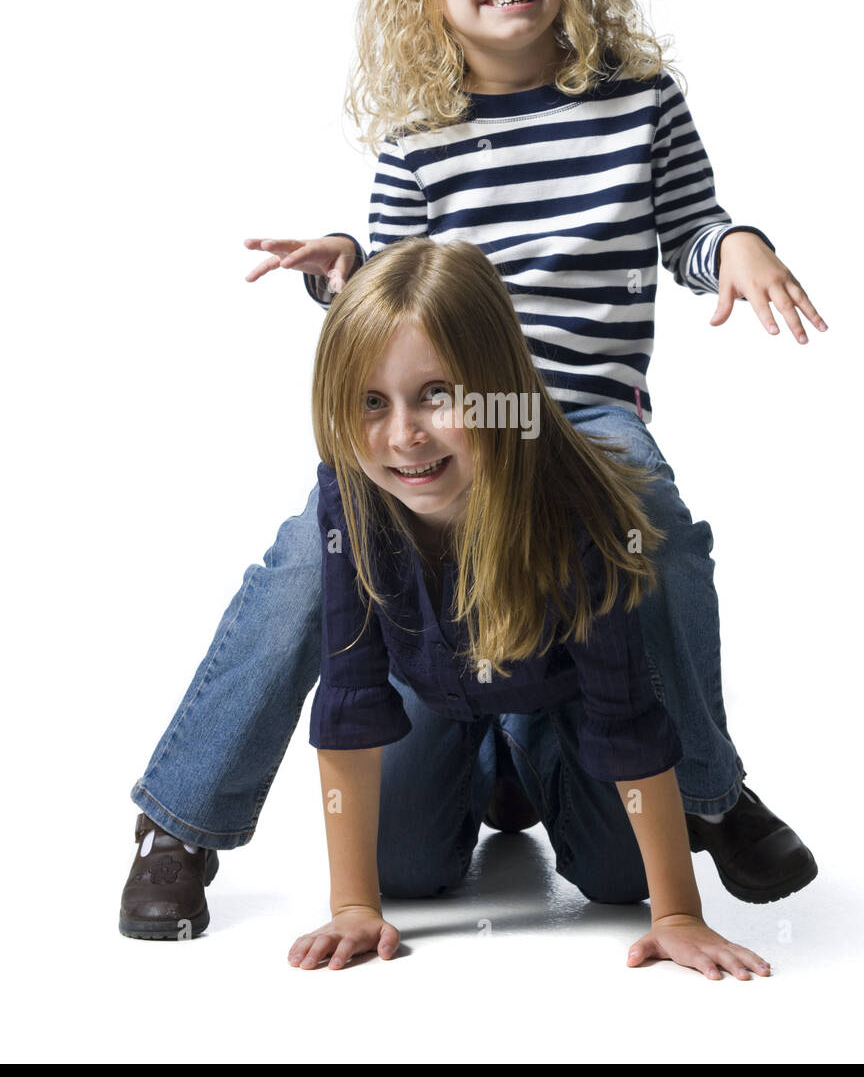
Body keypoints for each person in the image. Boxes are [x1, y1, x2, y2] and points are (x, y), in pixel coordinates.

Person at [120, 0, 823, 940]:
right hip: (455, 412)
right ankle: (179, 823)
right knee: (312, 549)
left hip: (579, 414)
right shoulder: (421, 139)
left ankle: (708, 792)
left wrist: (732, 245)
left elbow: (688, 225)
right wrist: (348, 263)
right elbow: (397, 302)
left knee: (658, 530)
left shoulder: (640, 103)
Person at [289, 234, 772, 979]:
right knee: (405, 871)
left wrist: (676, 913)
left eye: (437, 395)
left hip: (561, 699)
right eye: (371, 402)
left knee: (620, 881)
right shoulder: (348, 494)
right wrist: (352, 903)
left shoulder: (578, 505)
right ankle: (494, 767)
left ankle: (523, 749)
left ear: (494, 388)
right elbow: (350, 697)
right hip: (432, 695)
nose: (403, 435)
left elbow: (626, 716)